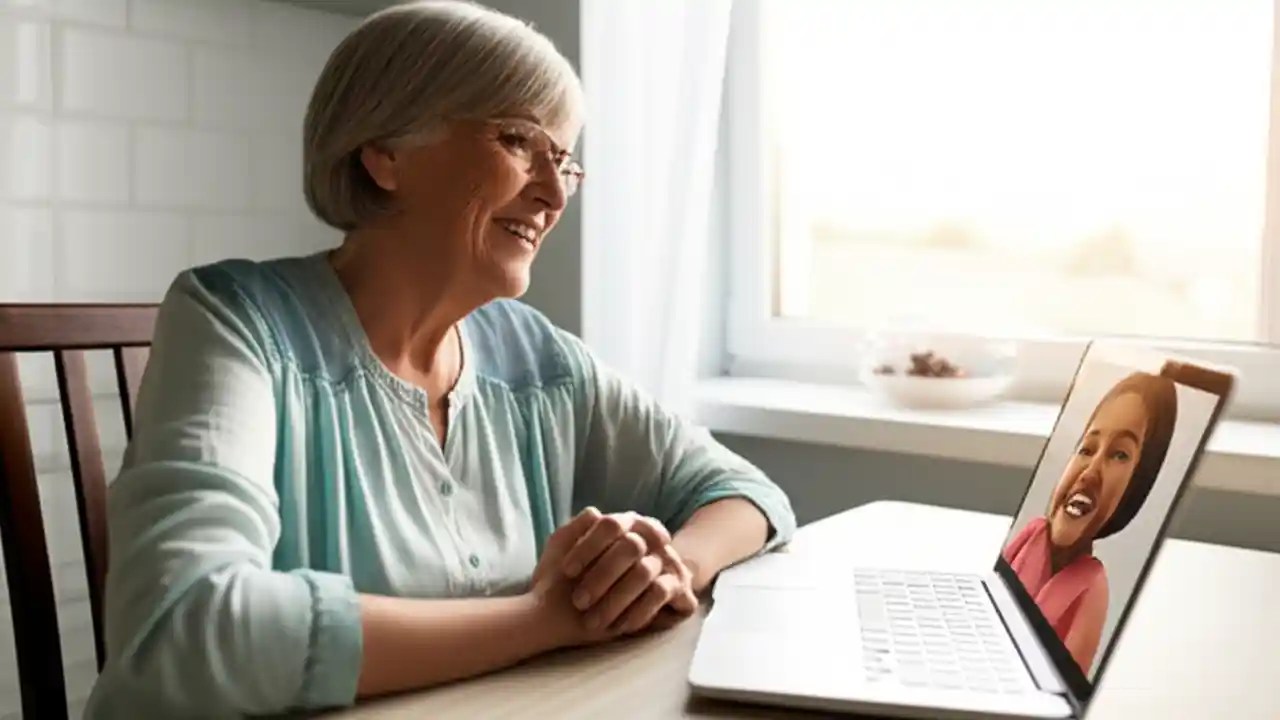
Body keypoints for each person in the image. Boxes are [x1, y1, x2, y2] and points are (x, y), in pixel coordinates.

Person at [83, 2, 796, 717]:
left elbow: (743, 494)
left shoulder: (536, 357)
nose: (552, 193)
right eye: (519, 140)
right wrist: (545, 617)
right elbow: (183, 625)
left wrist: (669, 566)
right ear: (384, 151)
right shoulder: (236, 319)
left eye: (566, 161)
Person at [1001, 371, 1177, 675]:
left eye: (1120, 455)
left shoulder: (1091, 585)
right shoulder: (1032, 533)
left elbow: (1070, 678)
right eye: (1086, 449)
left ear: (1137, 485)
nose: (1090, 471)